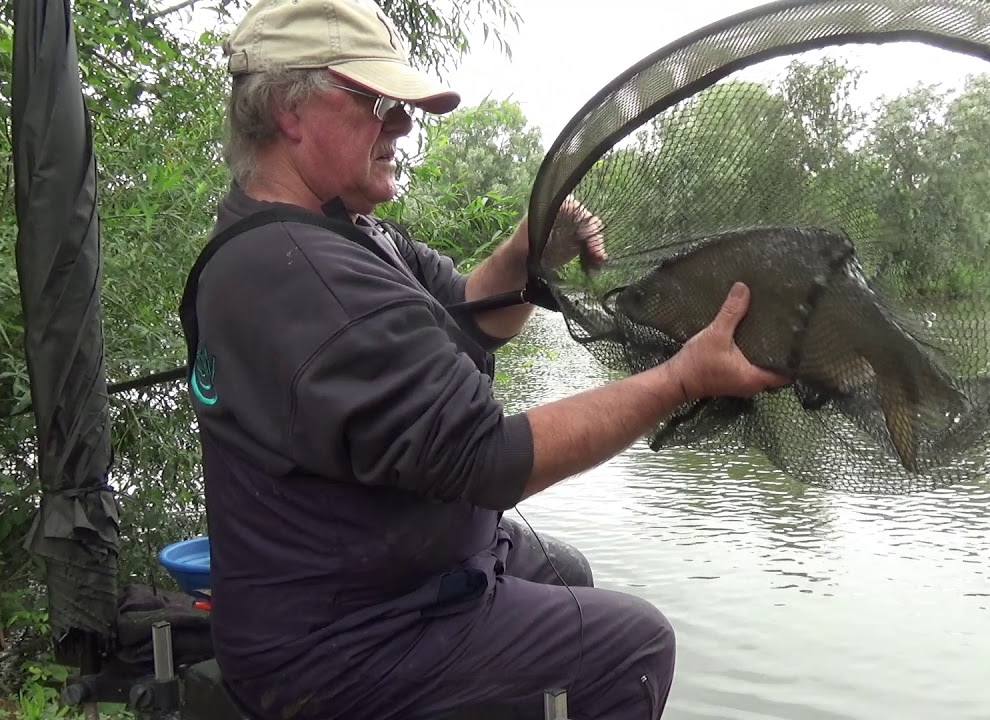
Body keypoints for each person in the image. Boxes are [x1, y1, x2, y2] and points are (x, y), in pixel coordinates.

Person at [179, 0, 790, 718]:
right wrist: (681, 378)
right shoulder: (299, 275)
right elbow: (492, 461)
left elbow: (469, 317)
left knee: (567, 571)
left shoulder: (346, 236)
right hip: (340, 643)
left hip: (390, 579)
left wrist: (530, 249)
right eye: (378, 103)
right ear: (289, 109)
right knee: (634, 644)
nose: (404, 124)